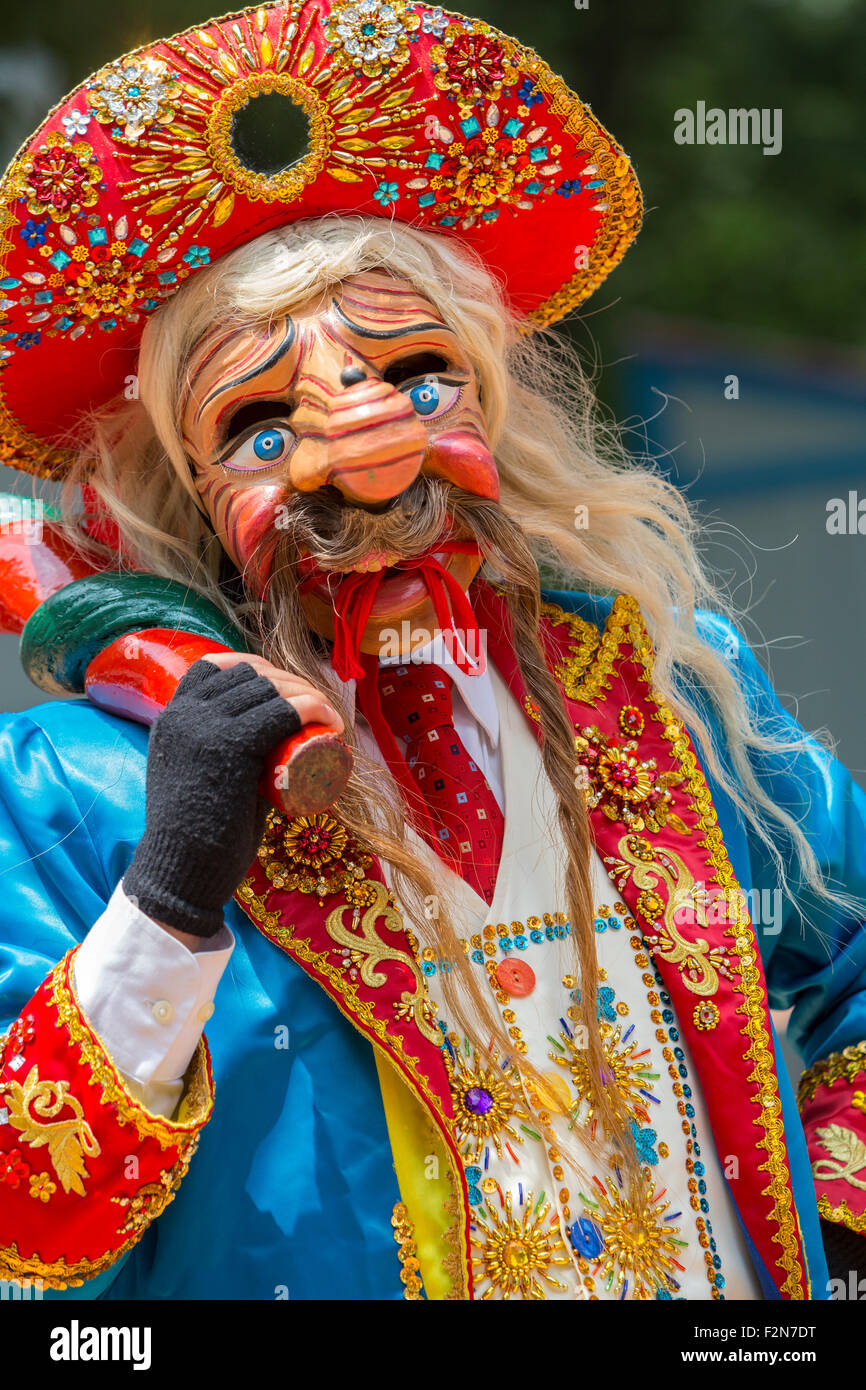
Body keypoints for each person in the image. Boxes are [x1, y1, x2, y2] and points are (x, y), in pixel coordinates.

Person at [0, 0, 864, 1302]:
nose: (360, 450)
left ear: (494, 398)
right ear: (187, 480)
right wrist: (165, 903)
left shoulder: (676, 684)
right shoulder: (73, 786)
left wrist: (834, 1233)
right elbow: (27, 1232)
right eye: (259, 425)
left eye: (412, 378)